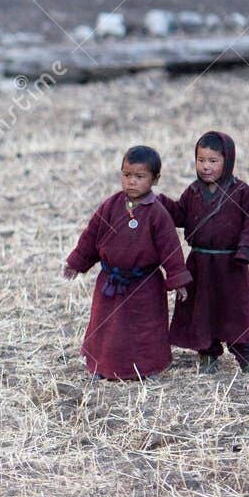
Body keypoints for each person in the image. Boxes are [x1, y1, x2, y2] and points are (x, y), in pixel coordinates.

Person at [62, 145, 191, 381]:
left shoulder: (158, 213)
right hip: (110, 281)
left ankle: (147, 368)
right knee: (107, 326)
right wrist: (76, 263)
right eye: (126, 175)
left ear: (155, 179)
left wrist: (178, 279)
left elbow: (170, 249)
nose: (131, 182)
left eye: (139, 177)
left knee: (144, 328)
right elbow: (91, 237)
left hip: (145, 284)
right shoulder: (110, 206)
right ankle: (103, 366)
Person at [159, 131, 249, 374]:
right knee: (202, 313)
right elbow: (179, 214)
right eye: (201, 160)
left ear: (227, 161)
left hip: (231, 265)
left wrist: (246, 250)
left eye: (213, 161)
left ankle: (247, 358)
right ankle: (208, 355)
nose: (205, 167)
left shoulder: (242, 192)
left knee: (235, 313)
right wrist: (160, 202)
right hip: (199, 263)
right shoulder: (193, 192)